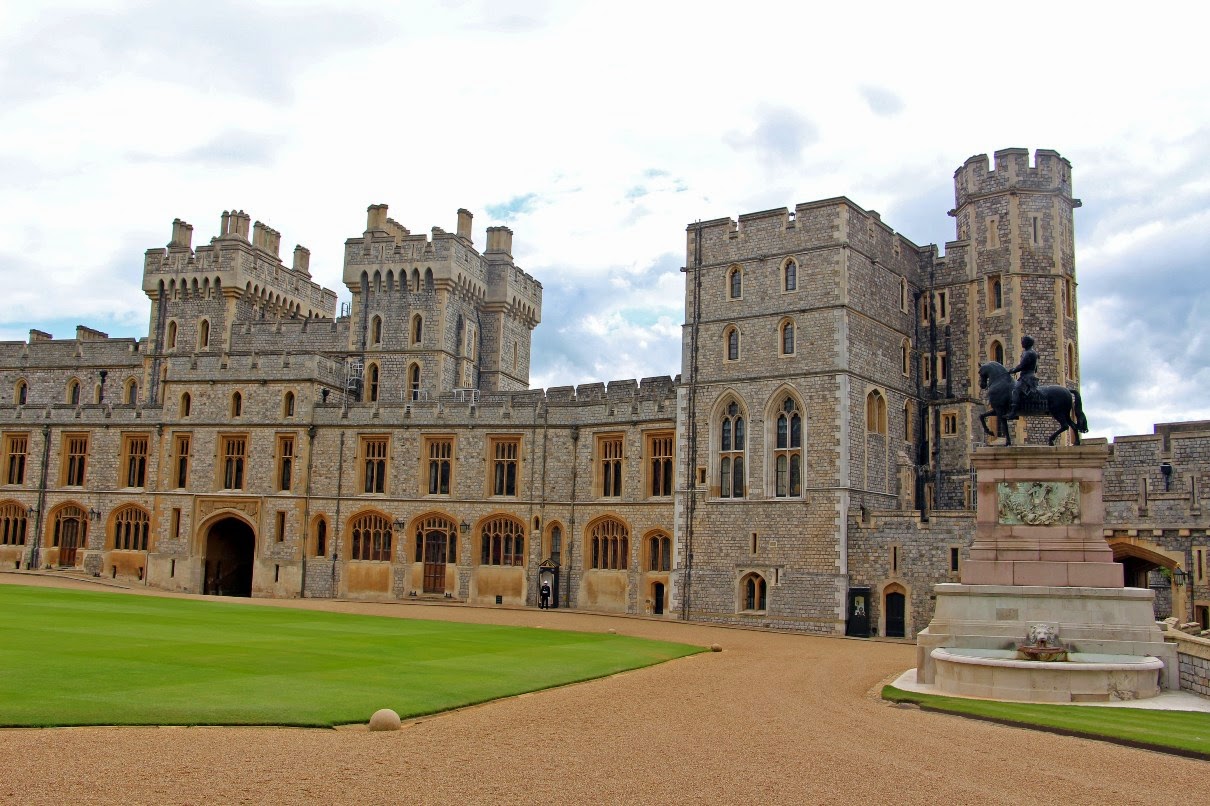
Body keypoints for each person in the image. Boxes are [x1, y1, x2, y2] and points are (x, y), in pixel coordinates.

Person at [1005, 335, 1039, 419]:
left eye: (1023, 341)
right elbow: (1036, 368)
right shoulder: (1030, 352)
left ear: (1027, 343)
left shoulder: (1029, 353)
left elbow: (1022, 366)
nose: (1021, 343)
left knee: (1016, 390)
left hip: (1027, 377)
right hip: (1028, 375)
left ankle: (1013, 412)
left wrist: (1013, 370)